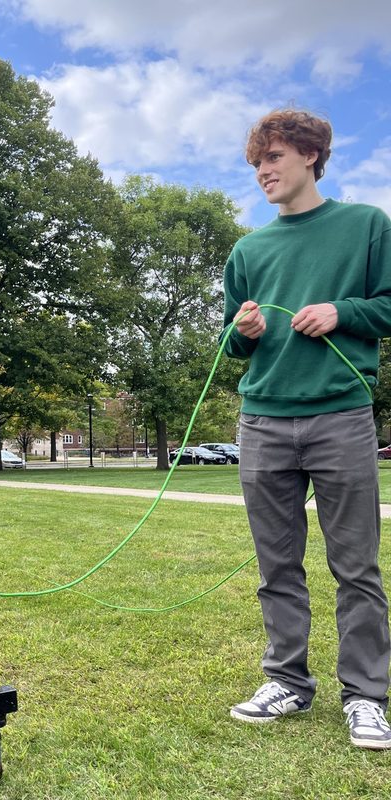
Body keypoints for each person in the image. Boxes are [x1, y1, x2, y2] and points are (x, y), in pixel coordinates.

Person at [222, 109, 391, 749]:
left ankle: (366, 697)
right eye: (257, 162)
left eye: (274, 157)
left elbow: (389, 304)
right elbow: (230, 344)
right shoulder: (248, 250)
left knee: (357, 569)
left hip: (341, 417)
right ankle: (287, 681)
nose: (263, 170)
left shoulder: (366, 225)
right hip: (262, 422)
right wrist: (241, 334)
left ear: (312, 155)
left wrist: (342, 311)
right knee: (277, 567)